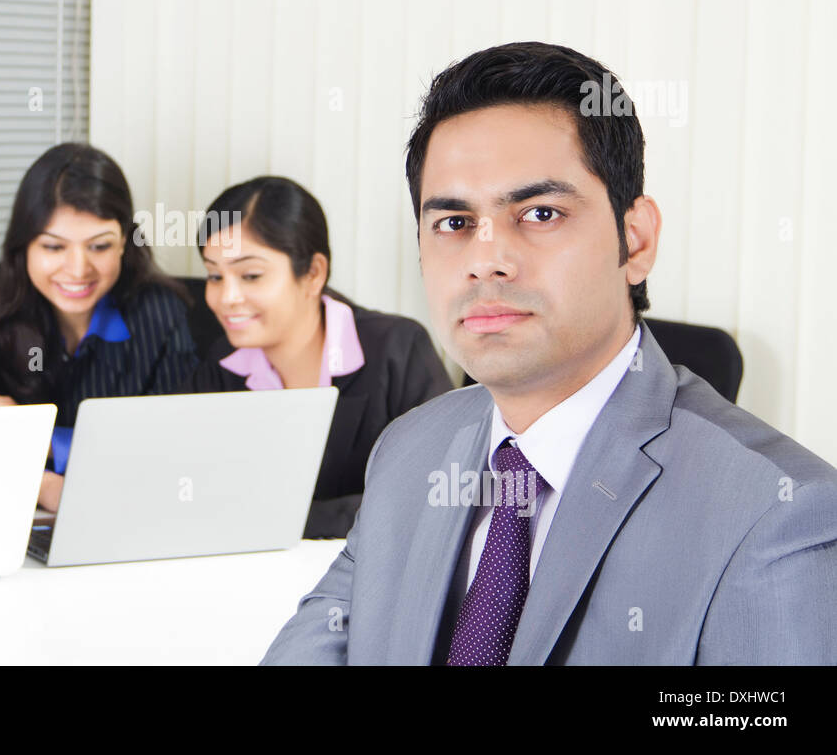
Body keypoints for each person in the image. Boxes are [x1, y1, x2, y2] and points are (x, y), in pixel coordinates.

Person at [262, 42, 837, 664]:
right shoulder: (409, 452)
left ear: (635, 239)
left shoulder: (778, 517)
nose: (486, 258)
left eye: (540, 213)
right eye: (453, 223)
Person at [0, 143, 198, 511]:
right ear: (24, 245)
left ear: (125, 241)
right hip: (1, 512)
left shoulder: (159, 314)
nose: (78, 270)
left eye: (99, 246)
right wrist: (43, 485)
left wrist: (41, 440)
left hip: (125, 513)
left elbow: (171, 451)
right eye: (54, 247)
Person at [192, 176, 452, 539]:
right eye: (214, 275)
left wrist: (288, 521)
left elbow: (435, 494)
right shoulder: (222, 365)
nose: (226, 297)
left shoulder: (396, 349)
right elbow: (210, 500)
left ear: (313, 273)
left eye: (250, 275)